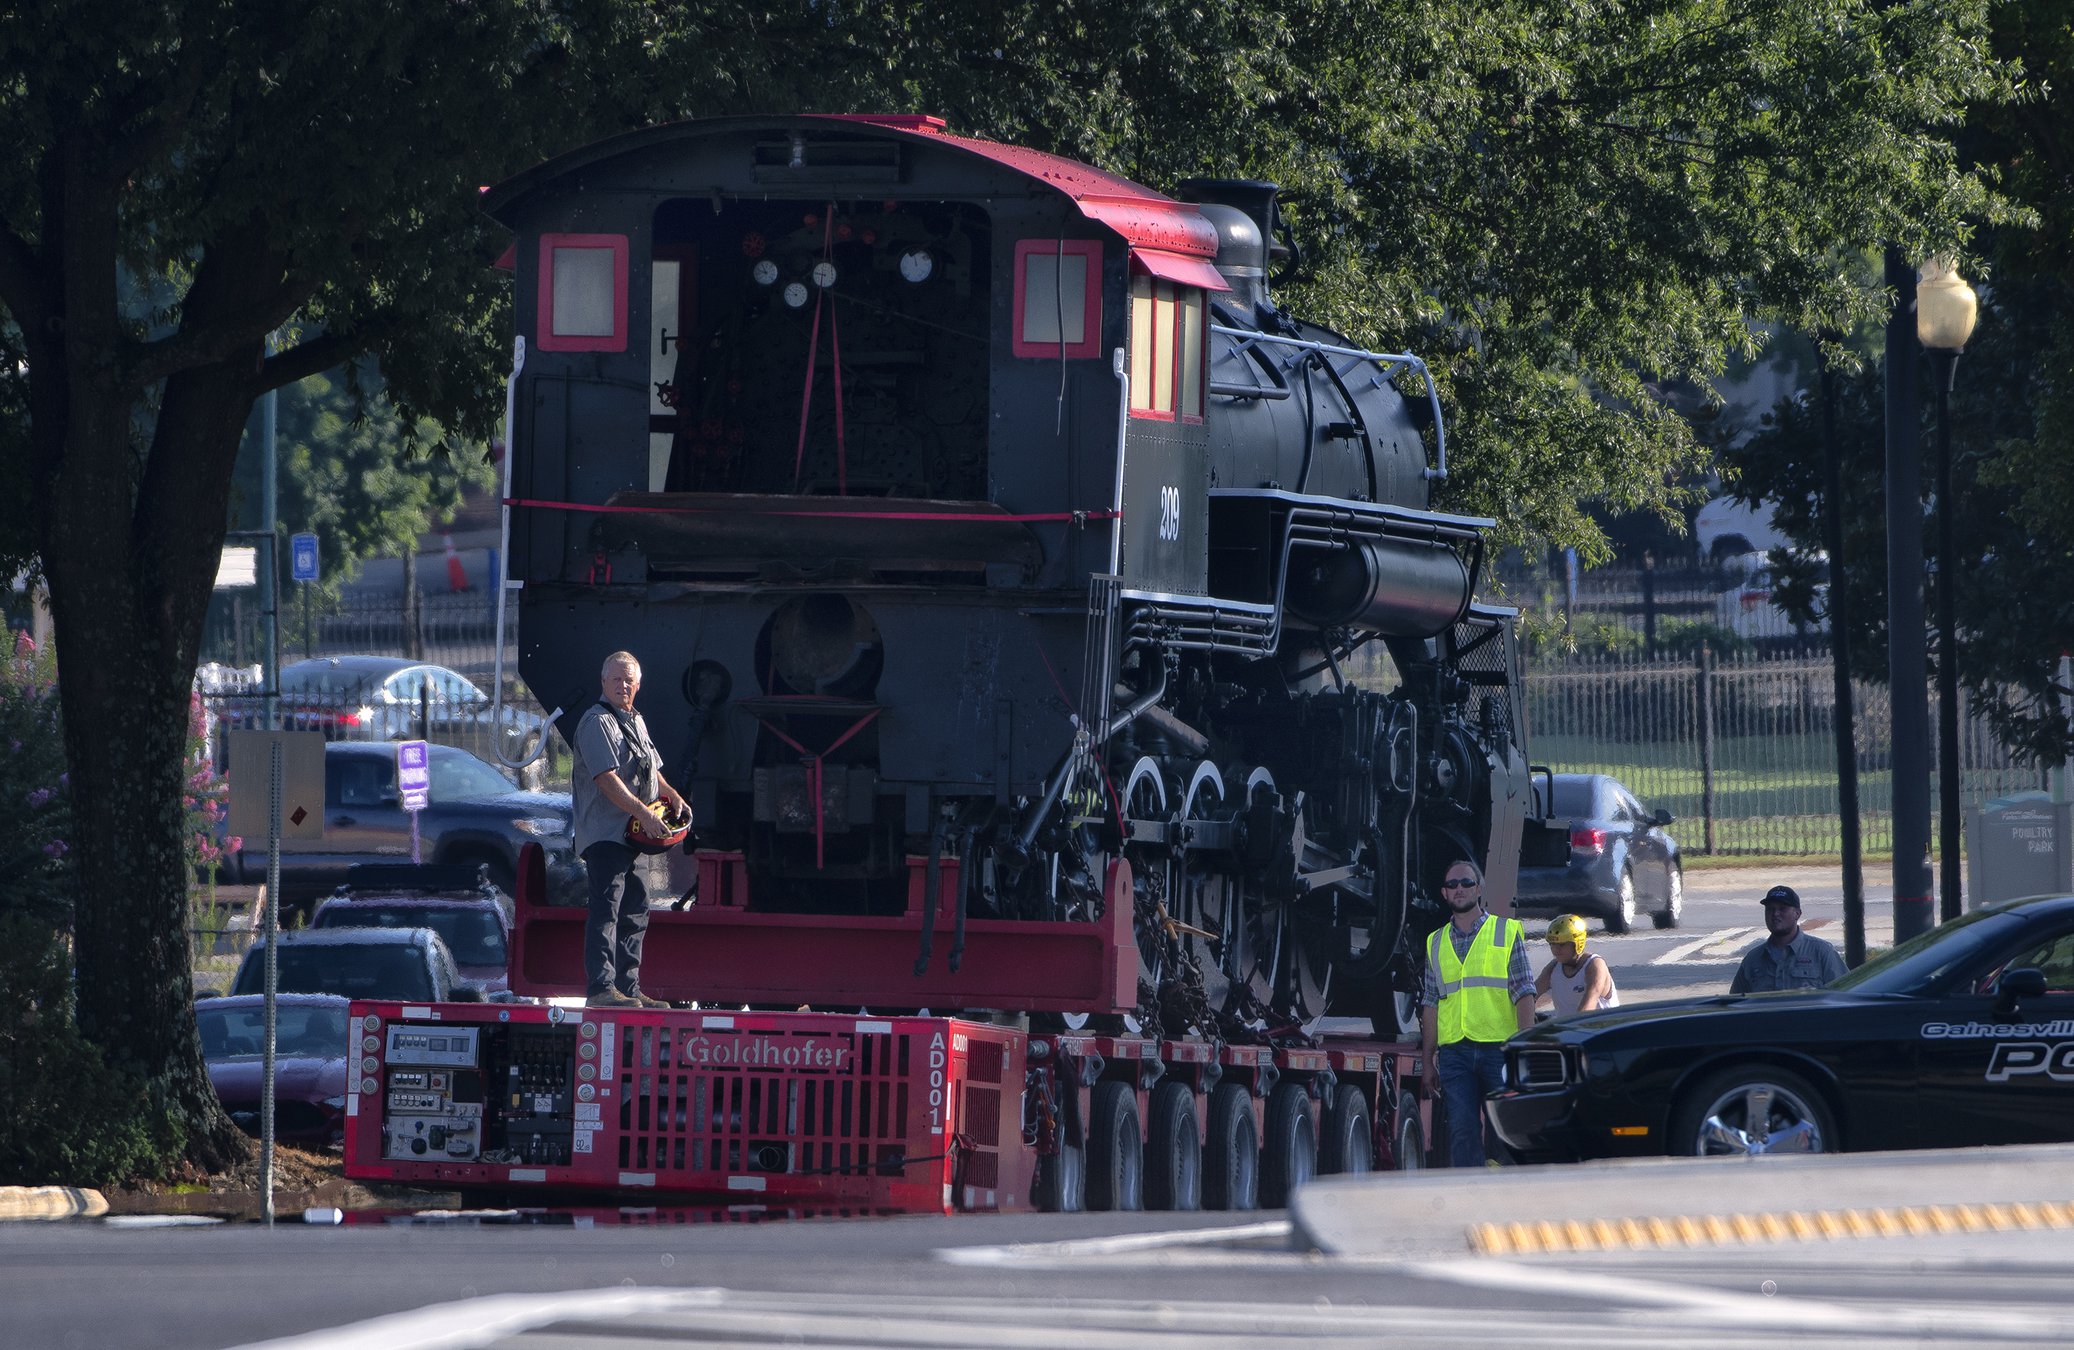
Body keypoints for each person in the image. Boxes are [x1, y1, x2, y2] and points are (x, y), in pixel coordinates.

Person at [572, 651, 689, 1009]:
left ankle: (629, 988)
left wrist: (673, 795)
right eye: (616, 679)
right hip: (607, 834)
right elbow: (606, 779)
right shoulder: (597, 722)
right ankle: (601, 989)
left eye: (629, 680)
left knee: (637, 909)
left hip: (635, 836)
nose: (623, 686)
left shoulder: (636, 720)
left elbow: (651, 769)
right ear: (603, 682)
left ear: (638, 685)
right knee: (606, 909)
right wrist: (644, 813)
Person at [1419, 860, 1537, 1167]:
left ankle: (1509, 1190)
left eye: (1466, 883)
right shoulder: (1435, 942)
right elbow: (1431, 1003)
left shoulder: (1505, 932)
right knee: (1462, 1129)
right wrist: (1427, 1061)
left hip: (1499, 1049)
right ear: (1444, 893)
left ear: (1479, 889)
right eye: (1452, 884)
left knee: (1505, 1129)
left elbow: (1525, 992)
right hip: (1455, 1052)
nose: (1459, 889)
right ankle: (1471, 1190)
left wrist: (1523, 1049)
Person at [1728, 884, 1846, 994]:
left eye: (1782, 908)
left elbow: (1845, 994)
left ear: (1797, 914)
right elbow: (1735, 1002)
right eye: (1770, 909)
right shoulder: (1753, 959)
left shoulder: (1822, 952)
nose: (1775, 914)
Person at [1534, 913, 1619, 1015]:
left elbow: (1587, 1008)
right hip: (1569, 1024)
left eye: (1562, 945)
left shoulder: (1594, 965)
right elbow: (1531, 994)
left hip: (1600, 1024)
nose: (1555, 950)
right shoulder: (1554, 968)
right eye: (1552, 944)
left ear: (1577, 943)